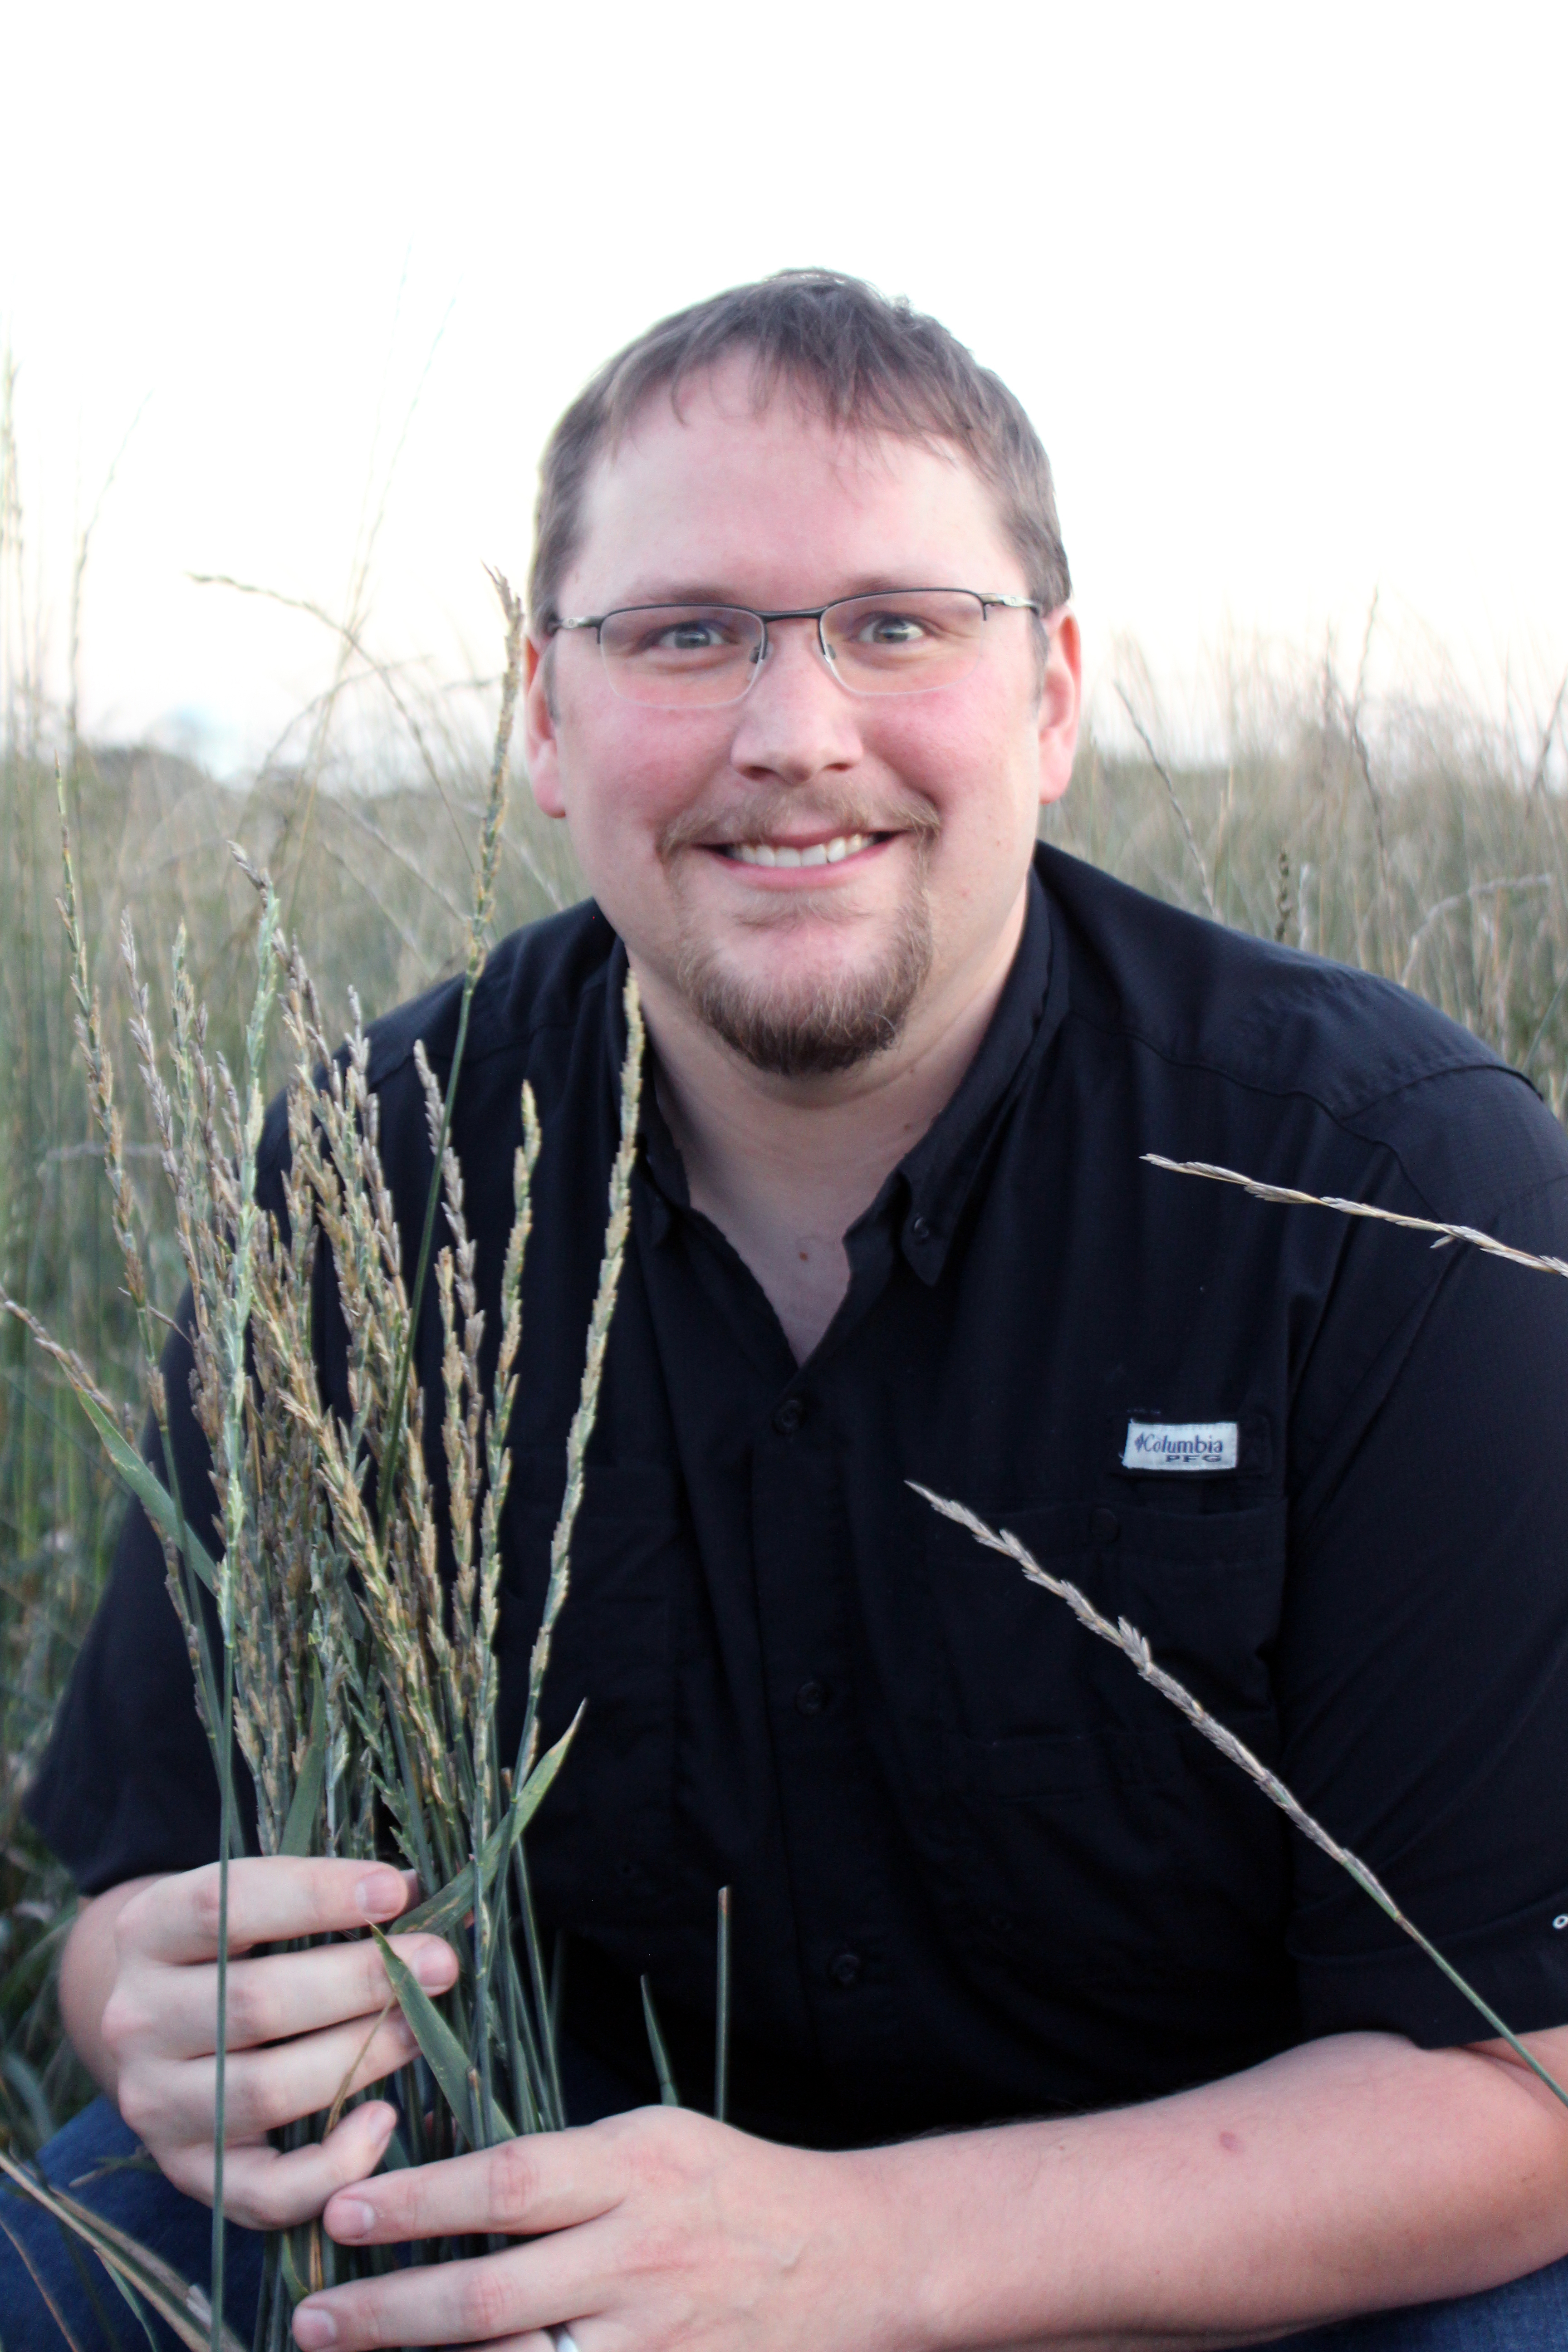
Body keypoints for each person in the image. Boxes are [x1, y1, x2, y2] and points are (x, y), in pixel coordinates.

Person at [14, 270, 1568, 2352]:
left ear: (1053, 697)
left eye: (895, 625)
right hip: (531, 2235)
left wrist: (860, 2257)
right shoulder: (368, 1178)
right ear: (544, 719)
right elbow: (134, 1908)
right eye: (687, 634)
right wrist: (154, 2005)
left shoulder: (1386, 1184)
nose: (794, 732)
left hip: (1227, 2276)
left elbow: (1530, 2080)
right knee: (75, 2257)